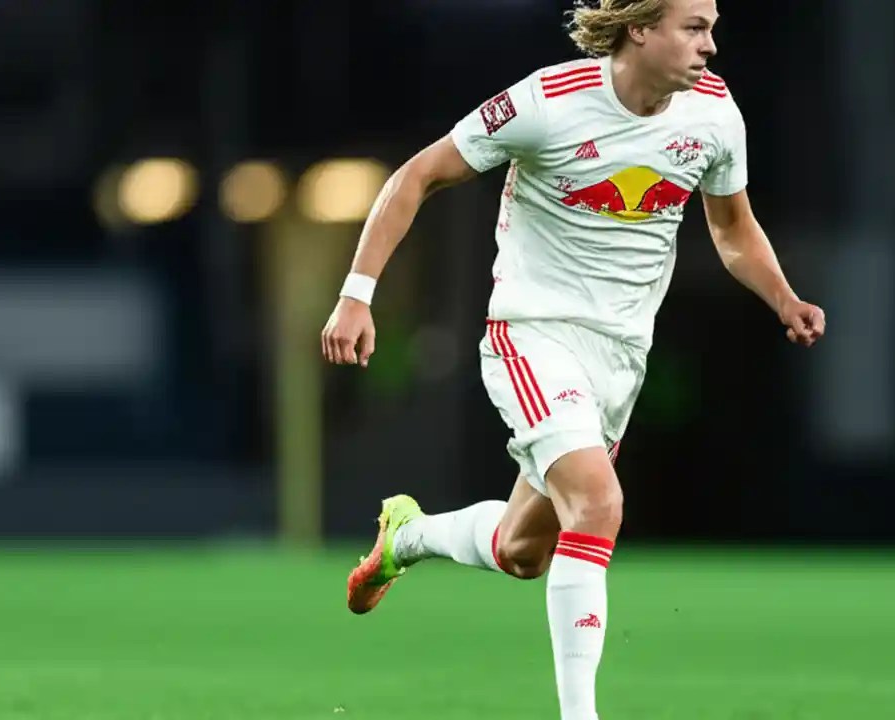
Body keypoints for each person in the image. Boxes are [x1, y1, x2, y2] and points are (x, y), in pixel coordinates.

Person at [320, 1, 825, 717]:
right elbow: (416, 176)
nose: (712, 45)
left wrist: (785, 299)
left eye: (712, 26)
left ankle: (410, 537)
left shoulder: (713, 113)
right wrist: (356, 295)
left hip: (620, 358)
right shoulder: (547, 103)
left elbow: (734, 229)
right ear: (641, 28)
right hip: (534, 335)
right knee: (599, 503)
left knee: (525, 551)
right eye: (695, 27)